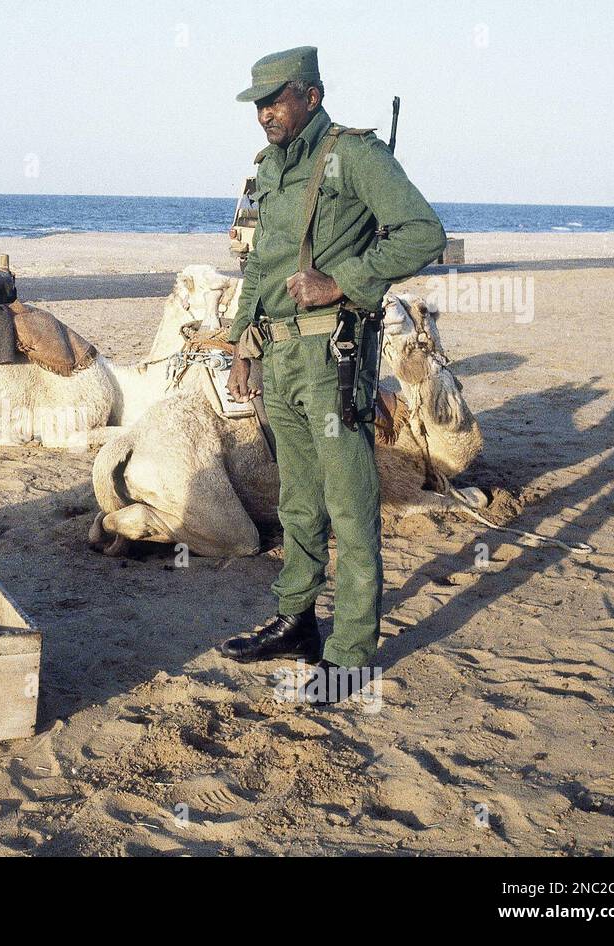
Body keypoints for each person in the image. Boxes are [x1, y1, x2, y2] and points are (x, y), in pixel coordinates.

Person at [218, 46, 446, 702]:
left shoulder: (356, 156)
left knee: (349, 505)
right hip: (281, 357)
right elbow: (260, 265)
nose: (265, 113)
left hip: (332, 356)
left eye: (276, 100)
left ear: (311, 97)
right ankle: (296, 620)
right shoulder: (269, 168)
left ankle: (349, 653)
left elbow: (424, 233)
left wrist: (339, 281)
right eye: (258, 103)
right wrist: (242, 346)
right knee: (297, 499)